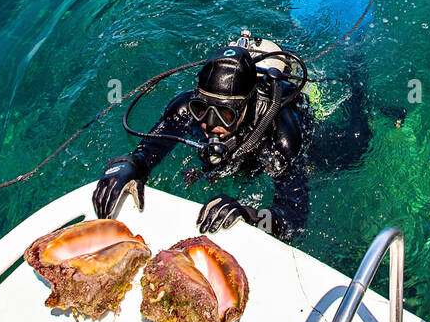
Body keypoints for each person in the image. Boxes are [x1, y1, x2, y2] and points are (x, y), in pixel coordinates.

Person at [92, 44, 310, 240]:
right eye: (202, 109)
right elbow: (148, 152)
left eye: (225, 114)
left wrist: (249, 214)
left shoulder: (280, 132)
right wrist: (131, 165)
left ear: (245, 106)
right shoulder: (185, 107)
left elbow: (293, 217)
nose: (209, 124)